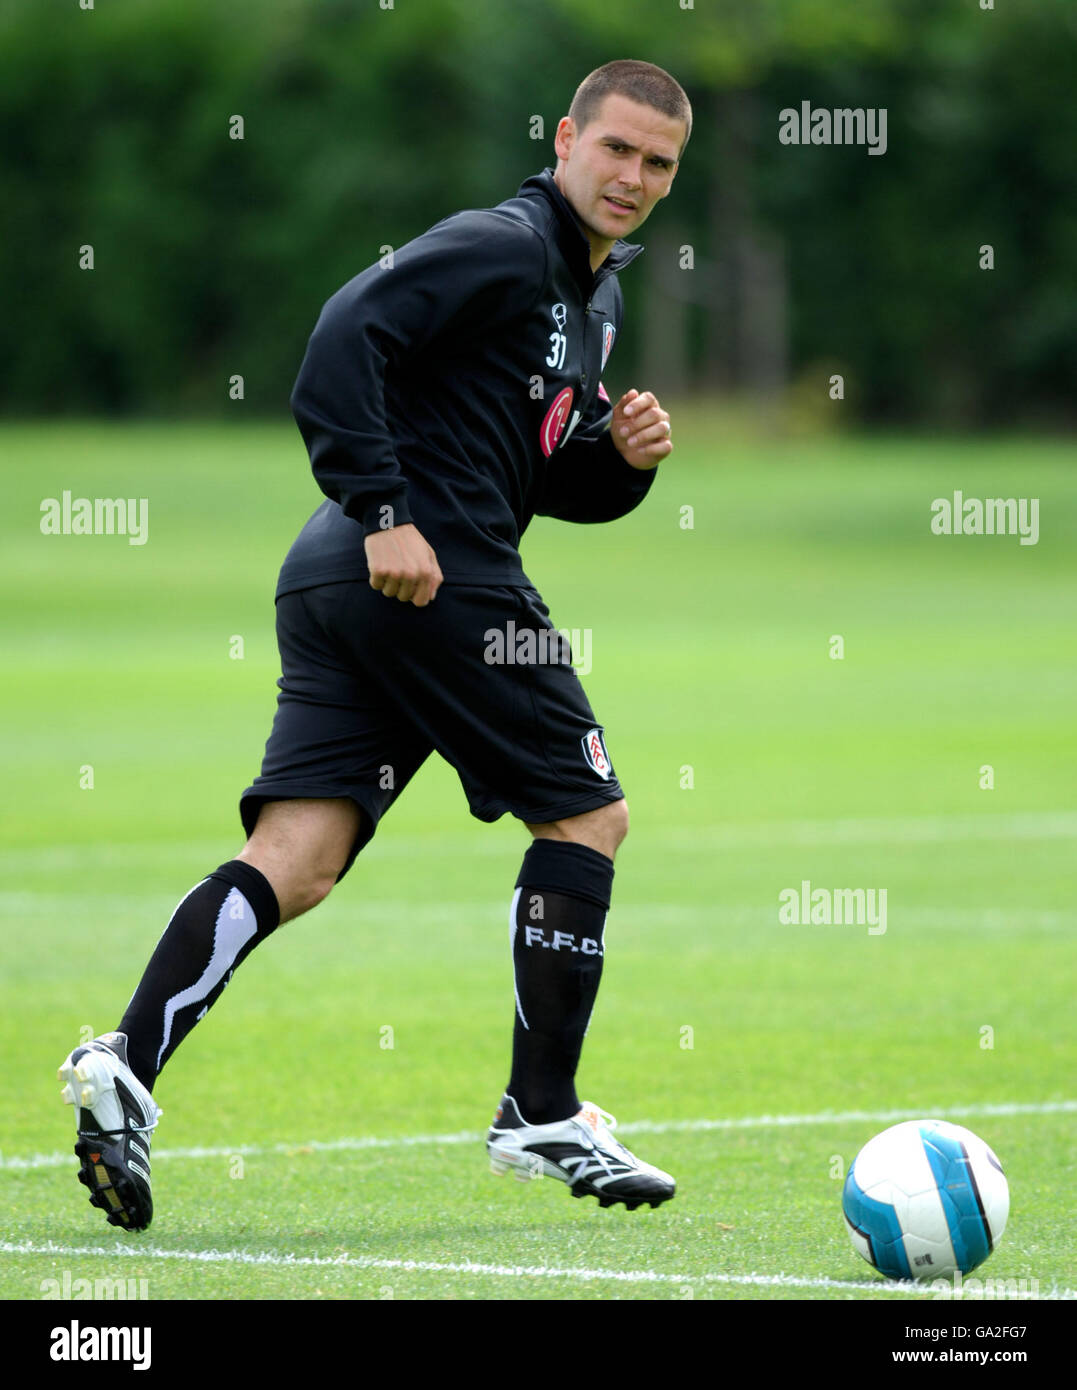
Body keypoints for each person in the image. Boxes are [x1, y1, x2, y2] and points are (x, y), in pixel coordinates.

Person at [58, 58, 692, 1229]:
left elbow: (541, 474)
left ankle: (124, 1067)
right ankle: (542, 1111)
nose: (634, 178)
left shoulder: (591, 297)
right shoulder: (503, 244)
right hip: (422, 564)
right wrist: (388, 510)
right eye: (616, 150)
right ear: (566, 138)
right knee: (588, 815)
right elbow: (344, 333)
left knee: (296, 857)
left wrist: (624, 463)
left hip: (346, 576)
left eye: (659, 163)